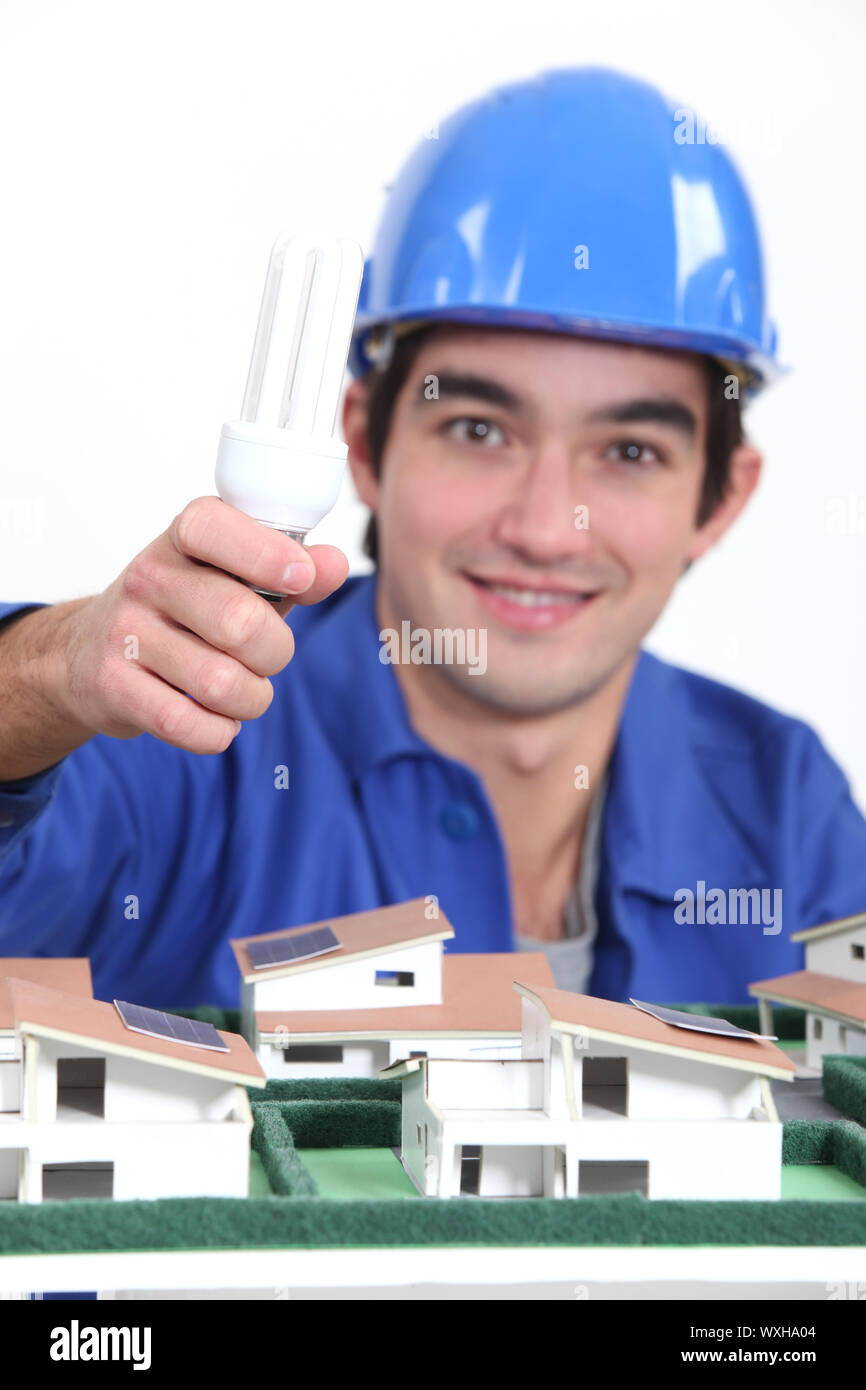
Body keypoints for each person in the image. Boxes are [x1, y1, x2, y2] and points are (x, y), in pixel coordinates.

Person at [1, 68, 864, 1011]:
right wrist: (49, 673)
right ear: (366, 443)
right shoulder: (186, 738)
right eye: (479, 430)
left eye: (628, 448)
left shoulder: (788, 811)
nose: (543, 527)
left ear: (720, 499)